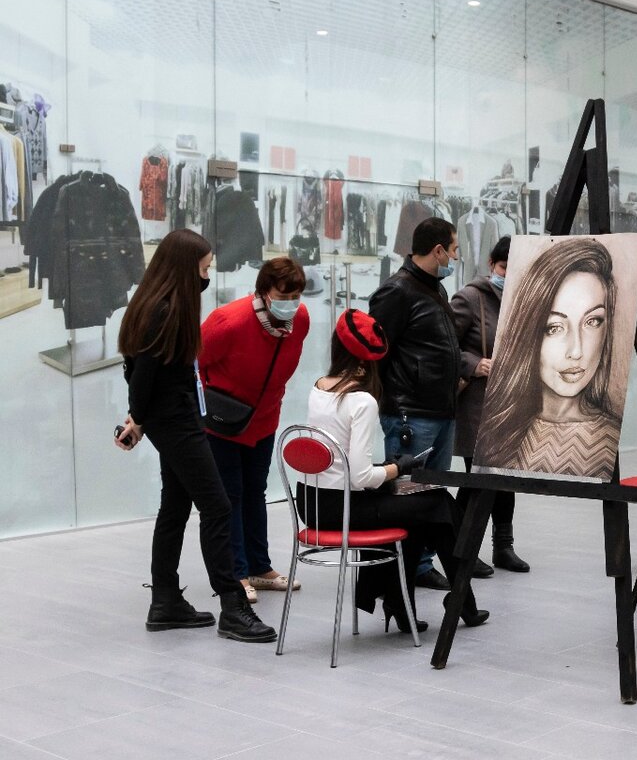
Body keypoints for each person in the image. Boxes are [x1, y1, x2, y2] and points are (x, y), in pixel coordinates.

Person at [115, 229, 276, 643]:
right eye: (204, 268)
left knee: (175, 506)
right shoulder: (164, 311)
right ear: (185, 268)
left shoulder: (160, 305)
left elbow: (140, 371)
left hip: (177, 419)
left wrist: (141, 419)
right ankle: (232, 605)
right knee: (218, 506)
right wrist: (139, 419)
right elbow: (142, 379)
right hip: (176, 423)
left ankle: (165, 601)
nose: (207, 275)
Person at [298, 309, 488, 632]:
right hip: (344, 507)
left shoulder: (319, 388)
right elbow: (360, 477)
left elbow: (342, 463)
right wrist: (394, 468)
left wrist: (386, 471)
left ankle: (406, 603)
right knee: (439, 503)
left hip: (311, 503)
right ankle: (459, 600)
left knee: (422, 513)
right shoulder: (362, 401)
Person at [369, 216, 473, 590]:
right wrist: (392, 405)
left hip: (441, 411)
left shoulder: (435, 290)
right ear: (438, 250)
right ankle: (400, 571)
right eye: (455, 249)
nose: (456, 256)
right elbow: (376, 353)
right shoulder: (396, 291)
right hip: (411, 414)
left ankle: (421, 564)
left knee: (430, 495)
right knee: (408, 493)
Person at [200, 257, 310, 604]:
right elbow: (193, 363)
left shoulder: (299, 320)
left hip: (263, 420)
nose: (291, 302)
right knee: (229, 494)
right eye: (283, 294)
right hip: (221, 422)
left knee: (254, 491)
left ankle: (259, 567)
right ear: (264, 291)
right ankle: (235, 573)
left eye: (296, 295)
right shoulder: (228, 322)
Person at [473, 239, 620, 480]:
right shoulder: (499, 431)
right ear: (529, 332)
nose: (576, 351)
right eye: (554, 327)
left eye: (592, 321)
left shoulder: (607, 436)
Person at [451, 236, 529, 573]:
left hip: (508, 402)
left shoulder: (523, 299)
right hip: (477, 405)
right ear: (491, 265)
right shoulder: (470, 298)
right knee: (478, 478)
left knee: (505, 478)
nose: (507, 276)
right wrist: (473, 363)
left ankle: (503, 547)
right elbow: (445, 346)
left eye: (514, 270)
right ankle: (462, 547)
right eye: (502, 268)